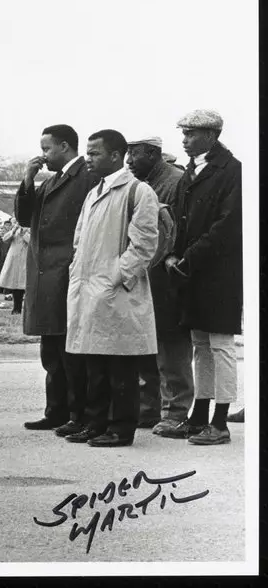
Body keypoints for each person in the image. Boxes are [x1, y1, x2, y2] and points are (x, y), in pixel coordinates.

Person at [64, 130, 158, 447]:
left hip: (116, 292)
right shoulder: (94, 192)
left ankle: (121, 428)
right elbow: (80, 240)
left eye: (94, 153)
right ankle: (96, 423)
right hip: (90, 290)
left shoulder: (138, 191)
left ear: (116, 156)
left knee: (121, 366)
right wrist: (79, 269)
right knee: (96, 364)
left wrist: (114, 276)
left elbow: (144, 245)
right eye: (88, 153)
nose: (88, 158)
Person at [163, 110, 242, 445]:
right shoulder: (191, 171)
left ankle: (220, 422)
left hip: (219, 272)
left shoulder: (233, 170)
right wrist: (172, 253)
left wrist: (188, 257)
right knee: (200, 345)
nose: (185, 139)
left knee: (221, 345)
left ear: (213, 135)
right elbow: (180, 220)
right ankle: (199, 415)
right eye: (184, 133)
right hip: (191, 270)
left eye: (192, 133)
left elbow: (227, 224)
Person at [15, 124, 99, 434]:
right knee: (52, 350)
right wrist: (27, 181)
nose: (43, 155)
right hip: (45, 273)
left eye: (47, 148)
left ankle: (78, 414)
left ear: (64, 147)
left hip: (67, 272)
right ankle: (56, 411)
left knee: (71, 351)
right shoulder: (52, 181)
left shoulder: (87, 178)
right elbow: (25, 218)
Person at [125, 135, 192, 434]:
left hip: (168, 278)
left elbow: (183, 230)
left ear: (152, 154)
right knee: (145, 343)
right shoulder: (139, 185)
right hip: (145, 276)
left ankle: (176, 410)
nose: (128, 162)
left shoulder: (177, 182)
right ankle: (148, 408)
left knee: (171, 344)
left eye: (134, 155)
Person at [0, 224, 31, 314]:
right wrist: (13, 231)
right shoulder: (15, 229)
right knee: (15, 286)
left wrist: (24, 234)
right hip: (14, 261)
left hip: (25, 261)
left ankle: (26, 309)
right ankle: (16, 308)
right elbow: (5, 239)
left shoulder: (29, 230)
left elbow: (32, 242)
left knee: (24, 286)